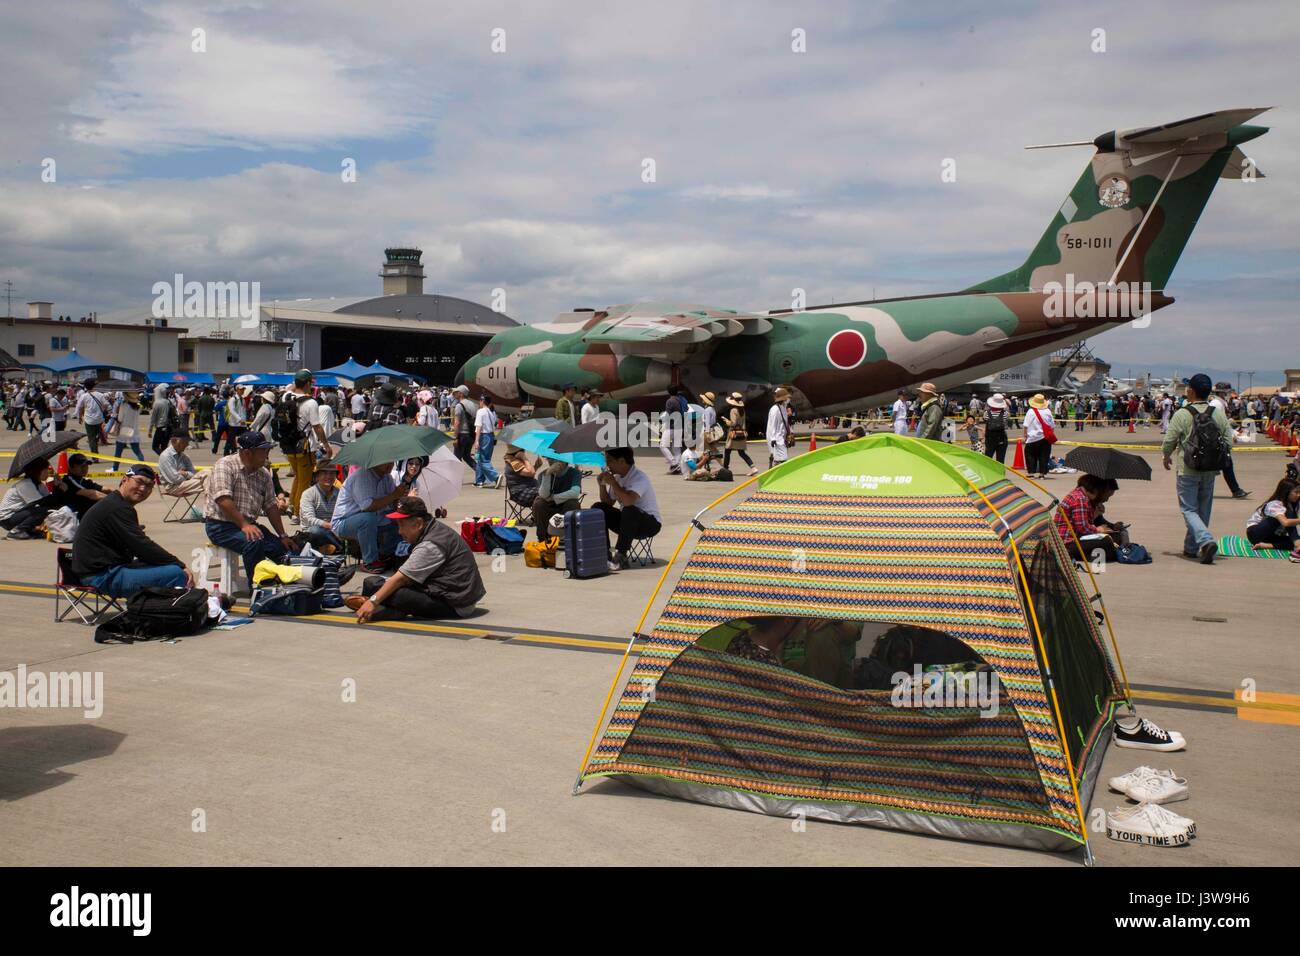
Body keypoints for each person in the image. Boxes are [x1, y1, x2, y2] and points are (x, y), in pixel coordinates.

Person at [346, 497, 486, 622]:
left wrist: (373, 601)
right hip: (449, 594)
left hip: (454, 604)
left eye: (401, 525)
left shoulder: (431, 545)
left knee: (375, 586)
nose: (399, 531)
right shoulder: (433, 529)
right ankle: (390, 609)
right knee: (374, 583)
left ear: (418, 523)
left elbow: (400, 579)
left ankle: (383, 609)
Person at [68, 464, 191, 597]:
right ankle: (159, 615)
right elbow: (141, 546)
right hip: (102, 576)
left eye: (149, 486)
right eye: (139, 482)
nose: (143, 488)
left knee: (161, 565)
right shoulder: (117, 508)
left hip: (103, 569)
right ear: (125, 480)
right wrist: (179, 564)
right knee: (176, 573)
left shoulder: (115, 503)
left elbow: (139, 546)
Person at [203, 430, 296, 585]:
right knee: (253, 542)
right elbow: (223, 499)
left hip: (247, 524)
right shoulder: (225, 465)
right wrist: (244, 524)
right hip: (220, 526)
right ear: (247, 453)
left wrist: (283, 535)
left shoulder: (264, 474)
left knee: (282, 548)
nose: (266, 455)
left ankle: (300, 578)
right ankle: (258, 586)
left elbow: (271, 506)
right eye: (263, 451)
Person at [1161, 373, 1232, 564]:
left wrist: (1166, 456)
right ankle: (1191, 548)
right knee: (1203, 510)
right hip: (1210, 470)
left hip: (1188, 469)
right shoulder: (1217, 413)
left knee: (1189, 509)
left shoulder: (1183, 414)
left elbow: (1169, 440)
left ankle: (1206, 541)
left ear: (1190, 391)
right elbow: (1227, 440)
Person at [331, 458, 419, 573]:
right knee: (368, 519)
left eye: (391, 462)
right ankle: (369, 562)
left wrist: (402, 496)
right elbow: (368, 507)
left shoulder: (387, 477)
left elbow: (393, 504)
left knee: (399, 518)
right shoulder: (362, 476)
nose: (390, 465)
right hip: (344, 522)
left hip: (375, 518)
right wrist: (394, 495)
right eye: (385, 462)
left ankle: (386, 553)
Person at [595, 446, 662, 569]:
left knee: (629, 509)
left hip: (649, 523)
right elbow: (608, 503)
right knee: (599, 509)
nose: (607, 464)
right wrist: (602, 485)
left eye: (609, 460)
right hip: (628, 524)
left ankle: (621, 555)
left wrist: (613, 483)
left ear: (621, 461)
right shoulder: (618, 477)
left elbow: (628, 501)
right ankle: (604, 553)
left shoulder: (639, 478)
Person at [280, 369, 333, 518]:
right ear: (308, 383)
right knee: (304, 482)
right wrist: (326, 446)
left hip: (288, 445)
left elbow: (289, 390)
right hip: (305, 447)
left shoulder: (285, 396)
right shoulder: (311, 402)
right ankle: (298, 512)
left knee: (298, 477)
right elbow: (317, 426)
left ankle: (292, 505)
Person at [1055, 474, 1126, 564]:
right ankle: (1092, 554)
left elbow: (1096, 521)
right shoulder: (1079, 499)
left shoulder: (1087, 499)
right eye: (1106, 495)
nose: (1106, 499)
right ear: (1097, 490)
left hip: (1079, 538)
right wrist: (1098, 530)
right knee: (1107, 542)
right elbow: (1082, 528)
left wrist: (1112, 526)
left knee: (1117, 536)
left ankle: (1095, 554)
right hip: (1068, 543)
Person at [1208, 391, 1250, 499]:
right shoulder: (1216, 404)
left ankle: (1236, 490)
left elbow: (1224, 423)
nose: (1227, 394)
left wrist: (1234, 433)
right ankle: (1235, 490)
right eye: (1225, 391)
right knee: (1221, 466)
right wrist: (1231, 435)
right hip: (1216, 440)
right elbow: (1219, 423)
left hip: (1219, 438)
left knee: (1224, 466)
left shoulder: (1220, 403)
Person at [1244, 478, 1300, 558]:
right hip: (1255, 534)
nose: (1298, 495)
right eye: (1296, 492)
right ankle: (1298, 546)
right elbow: (1286, 522)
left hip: (1271, 536)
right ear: (1286, 492)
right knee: (1288, 513)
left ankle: (1266, 545)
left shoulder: (1293, 503)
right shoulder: (1274, 504)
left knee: (1295, 539)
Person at [0, 458, 54, 539]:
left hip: (19, 513)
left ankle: (28, 530)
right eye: (46, 470)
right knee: (42, 510)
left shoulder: (39, 484)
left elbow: (51, 501)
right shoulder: (25, 484)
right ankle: (16, 532)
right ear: (39, 471)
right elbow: (42, 502)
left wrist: (58, 486)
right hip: (7, 519)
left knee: (46, 509)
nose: (48, 473)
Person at [298, 461, 344, 552]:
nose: (329, 476)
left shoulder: (339, 492)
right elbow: (309, 518)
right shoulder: (308, 494)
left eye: (332, 473)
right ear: (317, 476)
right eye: (324, 473)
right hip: (313, 531)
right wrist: (327, 524)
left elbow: (344, 513)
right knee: (316, 530)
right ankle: (341, 547)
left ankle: (333, 546)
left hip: (334, 528)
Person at [531, 457, 583, 534]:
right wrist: (547, 475)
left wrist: (554, 498)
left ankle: (569, 536)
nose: (550, 461)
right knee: (539, 503)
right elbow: (544, 495)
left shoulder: (574, 473)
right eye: (549, 458)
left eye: (554, 458)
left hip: (565, 505)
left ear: (564, 461)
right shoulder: (543, 474)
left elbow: (575, 493)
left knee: (573, 503)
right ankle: (543, 537)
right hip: (549, 507)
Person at [50, 453, 108, 519]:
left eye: (86, 466)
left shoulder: (83, 480)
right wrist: (114, 500)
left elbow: (104, 489)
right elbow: (92, 494)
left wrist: (118, 493)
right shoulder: (68, 481)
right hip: (74, 519)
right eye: (82, 466)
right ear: (72, 467)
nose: (85, 468)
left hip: (86, 516)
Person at [158, 431, 207, 499]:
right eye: (185, 441)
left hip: (186, 483)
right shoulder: (165, 456)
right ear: (174, 441)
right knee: (209, 482)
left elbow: (193, 473)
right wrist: (189, 477)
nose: (187, 444)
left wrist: (185, 473)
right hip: (173, 487)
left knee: (208, 473)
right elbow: (175, 479)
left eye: (188, 442)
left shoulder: (184, 456)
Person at [722, 392, 758, 475]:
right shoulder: (742, 411)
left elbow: (733, 423)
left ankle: (725, 469)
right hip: (741, 433)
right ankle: (753, 467)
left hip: (733, 434)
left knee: (727, 451)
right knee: (742, 453)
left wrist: (727, 422)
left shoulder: (733, 410)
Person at [74, 379, 112, 455]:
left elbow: (80, 407)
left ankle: (94, 455)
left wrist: (80, 417)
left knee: (91, 438)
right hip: (99, 420)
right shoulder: (100, 395)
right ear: (94, 385)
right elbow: (107, 405)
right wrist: (106, 411)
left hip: (89, 421)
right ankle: (99, 443)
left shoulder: (83, 396)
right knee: (97, 435)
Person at [1022, 393, 1056, 478]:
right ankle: (1042, 474)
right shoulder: (1048, 411)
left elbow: (1026, 425)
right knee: (1044, 455)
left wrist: (1025, 436)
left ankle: (1031, 473)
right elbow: (1052, 426)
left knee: (1030, 455)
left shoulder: (1030, 412)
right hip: (1045, 438)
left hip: (1032, 438)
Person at [107, 388, 145, 461]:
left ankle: (115, 468)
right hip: (134, 431)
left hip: (124, 430)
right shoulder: (138, 407)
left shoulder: (123, 405)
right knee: (137, 451)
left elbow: (120, 419)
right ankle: (143, 464)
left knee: (118, 452)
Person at [503, 446, 540, 518]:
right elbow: (531, 473)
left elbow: (528, 475)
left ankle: (541, 515)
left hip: (528, 488)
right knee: (543, 493)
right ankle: (540, 516)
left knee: (548, 490)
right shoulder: (513, 462)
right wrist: (525, 458)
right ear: (519, 452)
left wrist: (536, 466)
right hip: (521, 493)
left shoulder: (516, 460)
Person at [473, 394, 500, 488]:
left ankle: (495, 476)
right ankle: (479, 480)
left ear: (482, 401)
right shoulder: (491, 412)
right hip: (490, 436)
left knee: (481, 459)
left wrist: (476, 440)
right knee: (484, 458)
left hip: (483, 436)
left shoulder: (480, 411)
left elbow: (479, 426)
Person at [660, 385, 687, 473]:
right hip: (680, 426)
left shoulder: (670, 401)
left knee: (663, 446)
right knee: (676, 447)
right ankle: (677, 467)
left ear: (668, 392)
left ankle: (674, 463)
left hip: (671, 427)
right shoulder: (681, 400)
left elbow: (668, 415)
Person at [766, 387, 791, 469]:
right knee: (782, 458)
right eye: (787, 398)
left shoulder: (783, 408)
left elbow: (784, 423)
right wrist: (773, 438)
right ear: (783, 399)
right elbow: (772, 425)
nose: (788, 399)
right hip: (776, 438)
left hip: (781, 437)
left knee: (780, 459)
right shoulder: (775, 409)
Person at [451, 385, 477, 464]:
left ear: (461, 394)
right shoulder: (473, 404)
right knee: (466, 456)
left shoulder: (459, 406)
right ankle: (479, 472)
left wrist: (455, 437)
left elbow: (457, 422)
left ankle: (456, 475)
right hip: (471, 435)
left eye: (457, 392)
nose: (454, 394)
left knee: (456, 459)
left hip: (462, 435)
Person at [983, 393, 1009, 462]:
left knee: (988, 459)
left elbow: (986, 422)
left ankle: (988, 472)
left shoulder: (986, 413)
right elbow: (1005, 421)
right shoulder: (1005, 413)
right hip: (1002, 439)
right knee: (1000, 460)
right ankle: (1000, 472)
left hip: (990, 439)